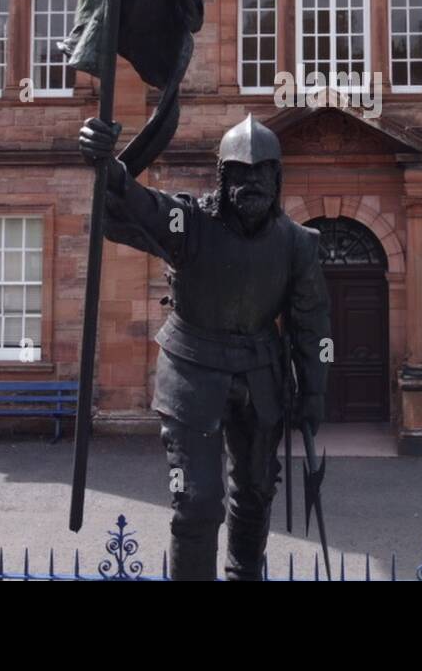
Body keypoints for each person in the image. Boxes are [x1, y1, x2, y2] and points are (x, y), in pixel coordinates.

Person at [79, 113, 330, 580]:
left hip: (260, 372)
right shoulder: (188, 221)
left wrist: (312, 393)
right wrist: (109, 169)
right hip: (192, 370)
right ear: (223, 175)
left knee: (256, 490)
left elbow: (314, 324)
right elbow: (130, 208)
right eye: (239, 172)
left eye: (261, 172)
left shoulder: (297, 244)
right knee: (197, 500)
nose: (250, 181)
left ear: (277, 176)